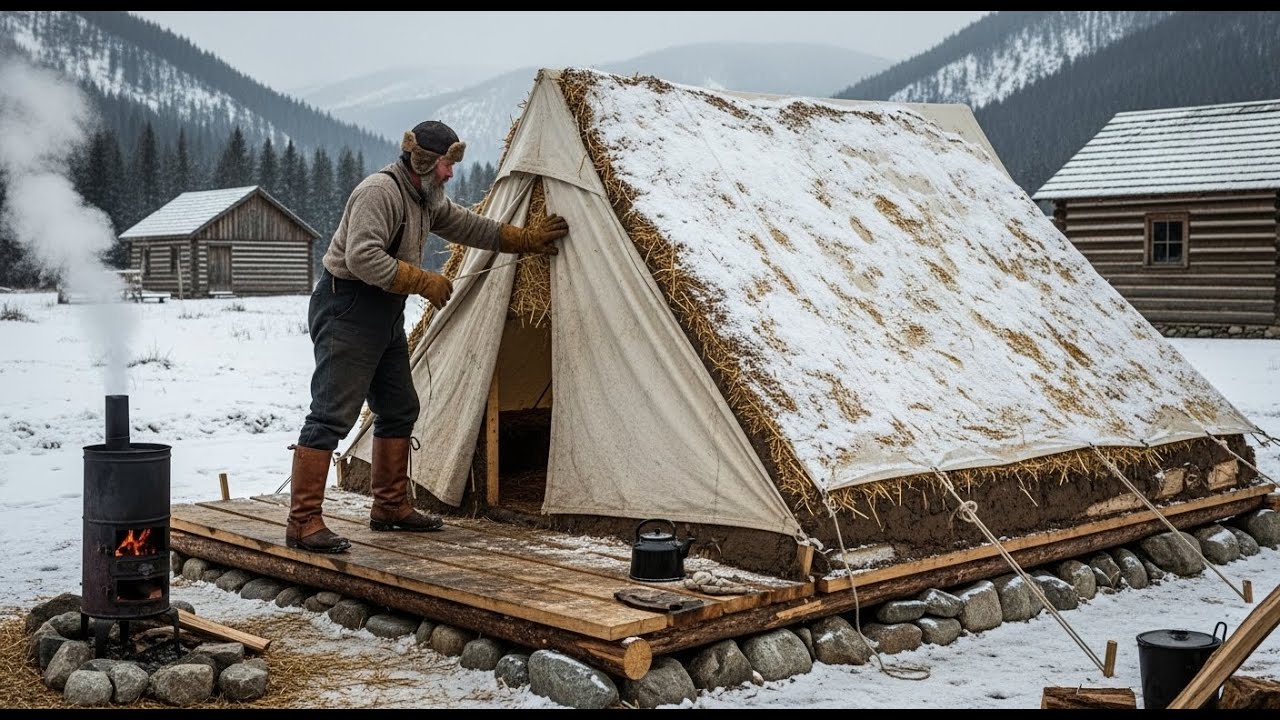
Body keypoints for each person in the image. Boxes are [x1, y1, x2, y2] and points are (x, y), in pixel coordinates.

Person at [286, 120, 570, 553]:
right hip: (348, 308)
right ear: (423, 161)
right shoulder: (379, 193)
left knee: (399, 408)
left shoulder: (425, 195)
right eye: (445, 164)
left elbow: (467, 226)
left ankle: (389, 505)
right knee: (331, 415)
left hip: (383, 311)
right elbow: (363, 258)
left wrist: (525, 238)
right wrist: (422, 280)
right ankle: (303, 521)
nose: (450, 173)